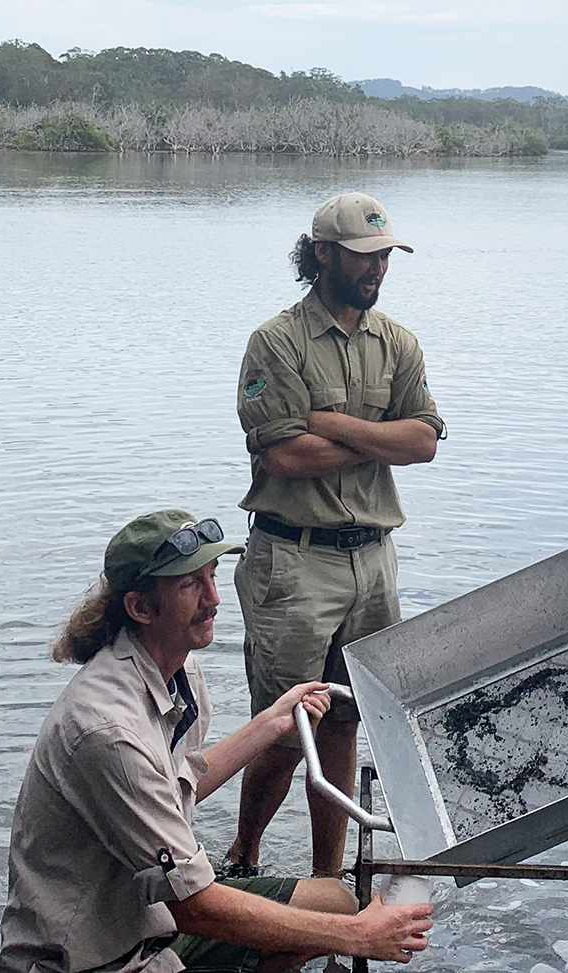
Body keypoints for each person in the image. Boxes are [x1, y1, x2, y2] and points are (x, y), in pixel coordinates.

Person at [0, 509, 434, 973]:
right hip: (90, 958)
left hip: (150, 915)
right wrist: (359, 937)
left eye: (213, 576)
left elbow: (179, 786)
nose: (214, 599)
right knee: (340, 924)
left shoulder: (178, 672)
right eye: (190, 586)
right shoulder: (107, 730)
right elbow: (195, 907)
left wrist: (271, 722)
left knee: (335, 901)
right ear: (140, 608)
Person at [226, 192, 445, 880]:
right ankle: (245, 854)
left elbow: (426, 440)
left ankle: (329, 877)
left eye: (384, 255)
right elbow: (285, 456)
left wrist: (336, 424)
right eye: (363, 255)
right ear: (323, 253)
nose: (377, 267)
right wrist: (386, 441)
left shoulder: (398, 342)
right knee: (283, 730)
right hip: (292, 561)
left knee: (346, 721)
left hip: (373, 562)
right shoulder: (277, 341)